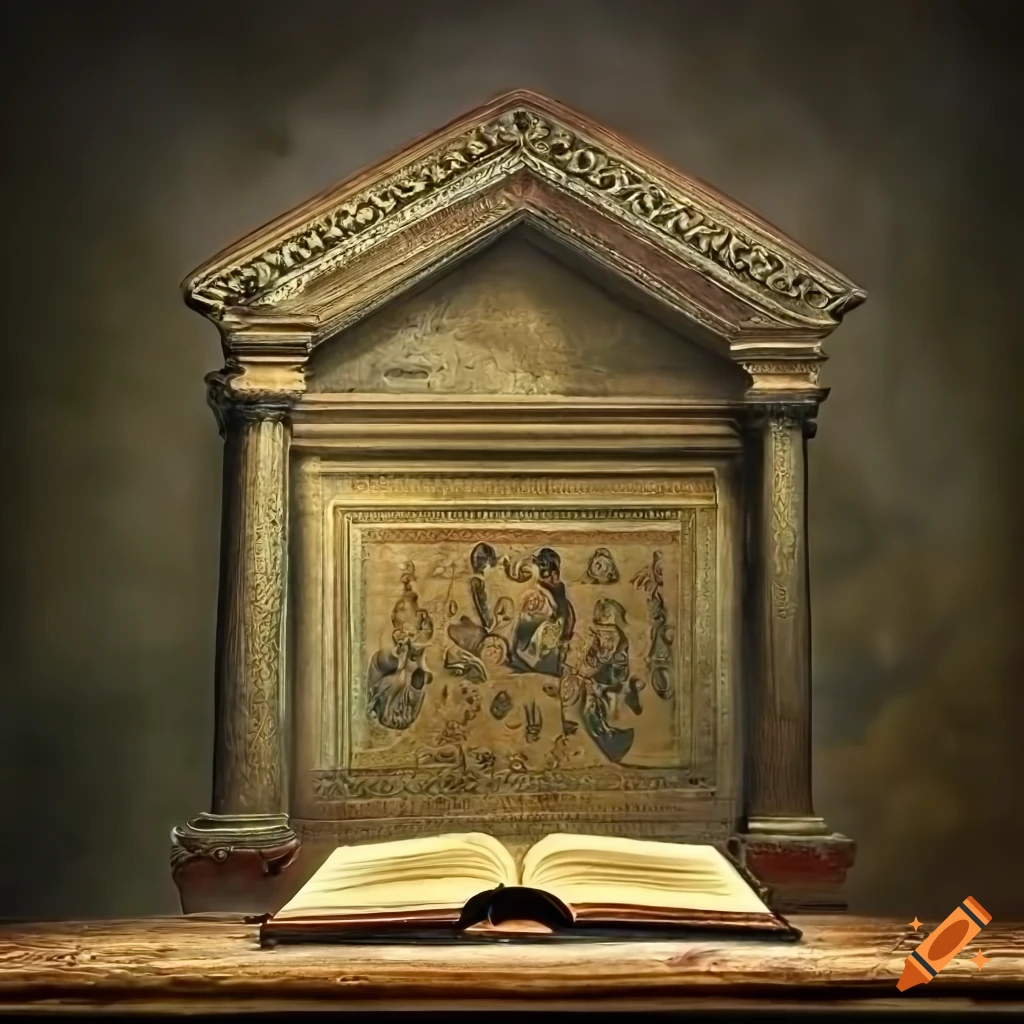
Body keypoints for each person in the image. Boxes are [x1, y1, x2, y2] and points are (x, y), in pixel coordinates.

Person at [506, 547, 576, 677]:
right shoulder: (536, 593)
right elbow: (526, 621)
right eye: (548, 573)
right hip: (532, 643)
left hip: (553, 639)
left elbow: (564, 612)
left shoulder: (558, 589)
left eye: (556, 572)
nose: (554, 577)